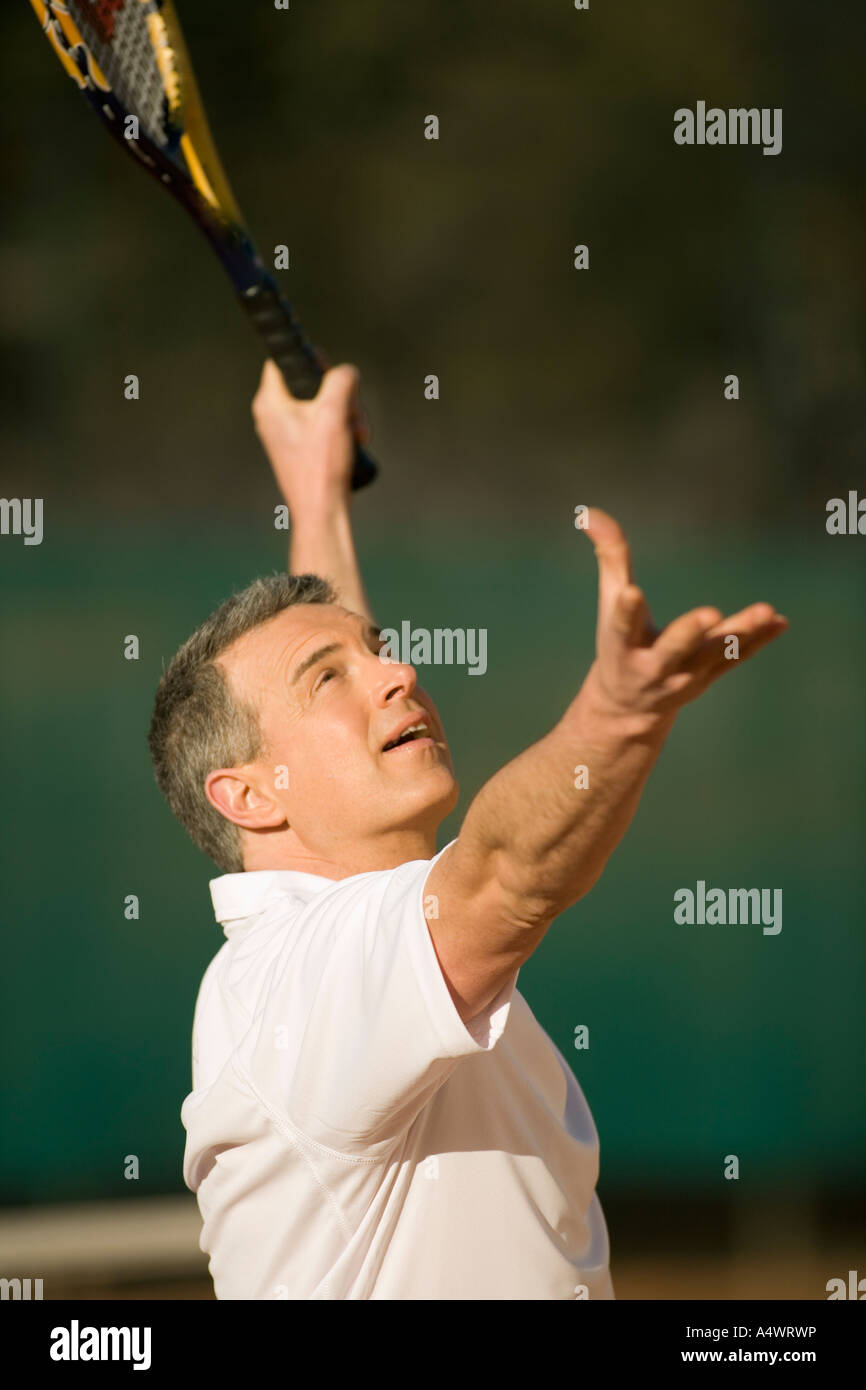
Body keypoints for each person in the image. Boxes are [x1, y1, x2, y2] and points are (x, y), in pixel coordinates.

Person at [147, 361, 788, 1299]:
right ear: (247, 796)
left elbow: (327, 669)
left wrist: (313, 490)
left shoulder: (345, 944)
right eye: (332, 677)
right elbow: (502, 879)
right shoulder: (289, 986)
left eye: (377, 648)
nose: (398, 670)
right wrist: (613, 721)